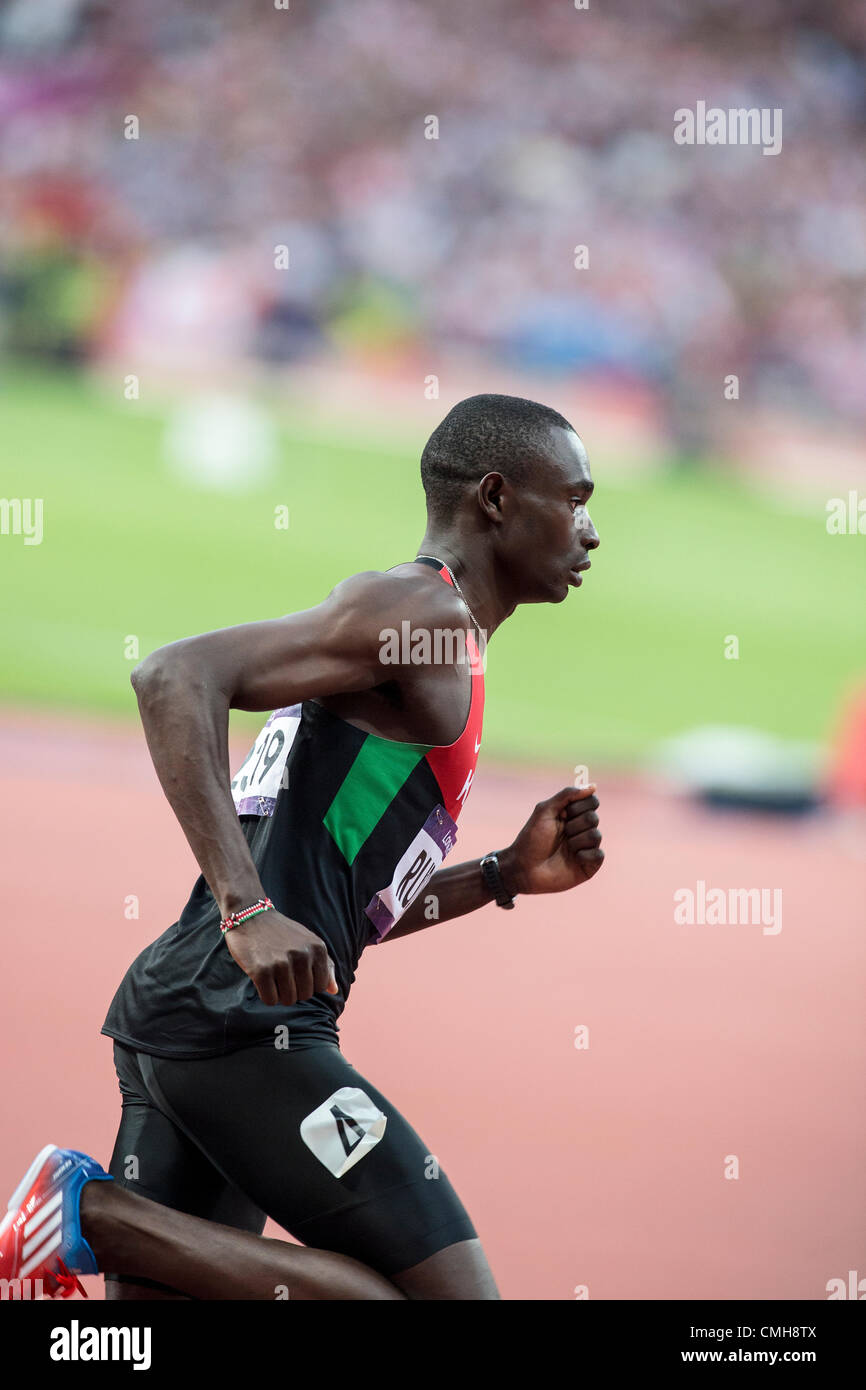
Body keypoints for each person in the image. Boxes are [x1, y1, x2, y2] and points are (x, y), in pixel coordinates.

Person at [1, 394, 603, 1302]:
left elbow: (338, 908)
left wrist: (502, 875)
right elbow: (174, 675)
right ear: (495, 497)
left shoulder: (441, 639)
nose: (591, 530)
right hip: (241, 1025)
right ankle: (91, 1216)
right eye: (576, 500)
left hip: (208, 1015)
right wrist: (246, 910)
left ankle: (96, 1225)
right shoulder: (422, 613)